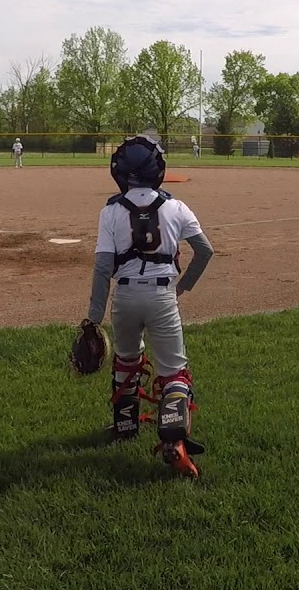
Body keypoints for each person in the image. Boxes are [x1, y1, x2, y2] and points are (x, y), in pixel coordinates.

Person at [86, 135, 215, 477]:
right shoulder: (176, 207)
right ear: (157, 170)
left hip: (124, 297)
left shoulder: (111, 210)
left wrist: (93, 319)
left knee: (126, 363)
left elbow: (102, 268)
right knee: (173, 372)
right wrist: (182, 288)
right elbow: (205, 252)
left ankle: (125, 427)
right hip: (161, 295)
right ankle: (174, 440)